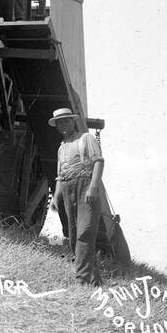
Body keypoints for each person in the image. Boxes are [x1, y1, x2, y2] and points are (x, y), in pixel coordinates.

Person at [50, 107, 105, 286]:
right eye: (59, 122)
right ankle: (94, 281)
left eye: (66, 121)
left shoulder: (86, 138)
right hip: (67, 188)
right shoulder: (61, 147)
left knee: (85, 232)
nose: (63, 125)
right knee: (74, 236)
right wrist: (56, 198)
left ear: (73, 122)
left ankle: (81, 280)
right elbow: (60, 175)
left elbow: (98, 162)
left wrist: (93, 187)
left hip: (85, 185)